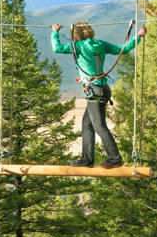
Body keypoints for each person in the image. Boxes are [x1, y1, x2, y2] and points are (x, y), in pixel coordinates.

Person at [52, 21, 147, 169]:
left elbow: (57, 48)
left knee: (99, 126)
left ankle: (115, 158)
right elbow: (123, 49)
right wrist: (138, 37)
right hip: (102, 88)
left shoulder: (78, 46)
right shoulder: (100, 44)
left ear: (76, 34)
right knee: (87, 124)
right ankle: (87, 159)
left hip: (94, 90)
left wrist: (55, 32)